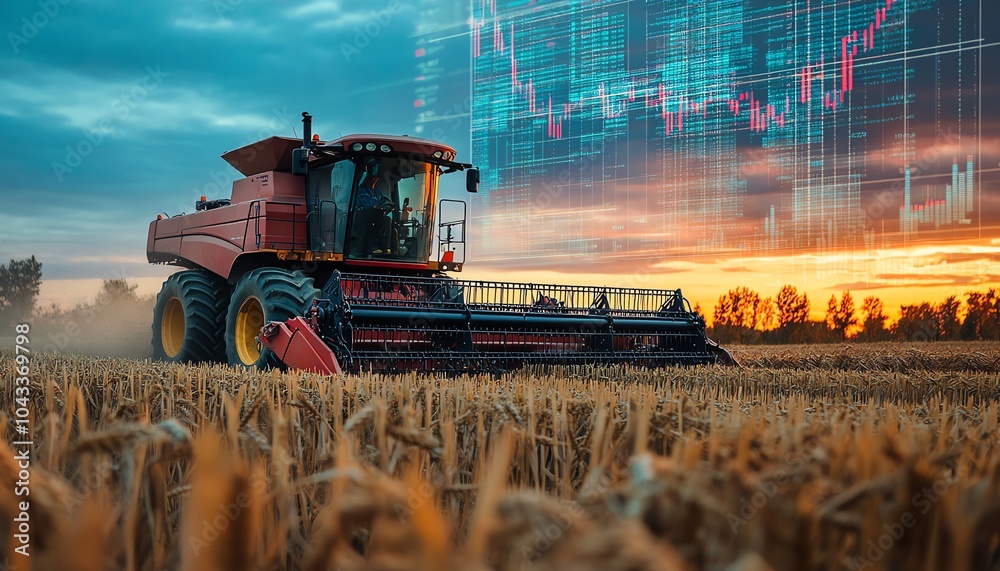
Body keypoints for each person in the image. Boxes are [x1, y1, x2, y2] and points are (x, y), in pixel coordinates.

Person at [352, 158, 395, 255]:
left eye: (377, 177)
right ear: (367, 175)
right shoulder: (359, 191)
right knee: (381, 218)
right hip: (363, 222)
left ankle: (387, 249)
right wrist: (372, 209)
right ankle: (374, 247)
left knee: (388, 220)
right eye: (373, 177)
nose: (375, 179)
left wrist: (388, 206)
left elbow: (383, 202)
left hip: (377, 221)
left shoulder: (377, 193)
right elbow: (356, 209)